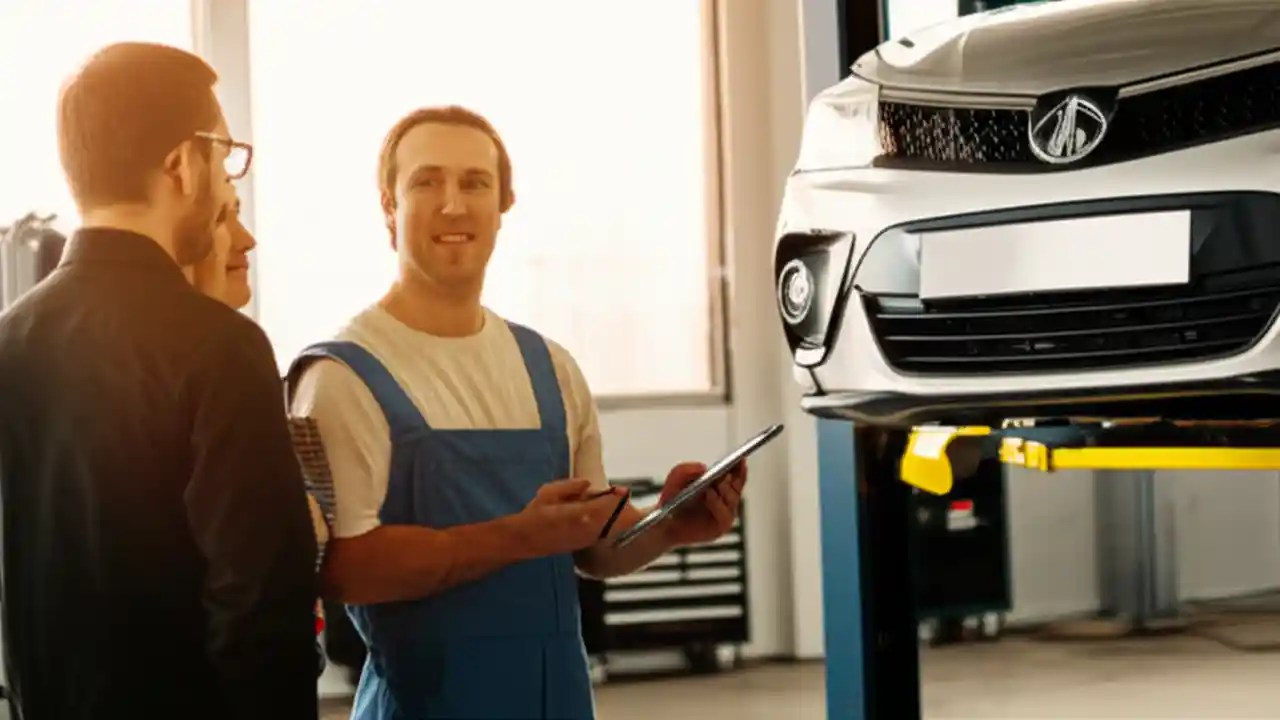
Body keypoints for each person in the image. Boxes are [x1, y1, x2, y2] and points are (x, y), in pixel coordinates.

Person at [286, 105, 748, 719]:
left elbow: (592, 546)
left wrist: (667, 525)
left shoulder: (552, 369)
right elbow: (348, 570)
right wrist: (518, 537)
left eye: (475, 183)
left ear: (504, 203)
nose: (454, 204)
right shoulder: (343, 375)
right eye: (426, 182)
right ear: (388, 207)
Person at [0, 42, 320, 719]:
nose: (228, 179)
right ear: (182, 164)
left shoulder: (10, 342)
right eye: (224, 154)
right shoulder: (219, 348)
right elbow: (260, 606)